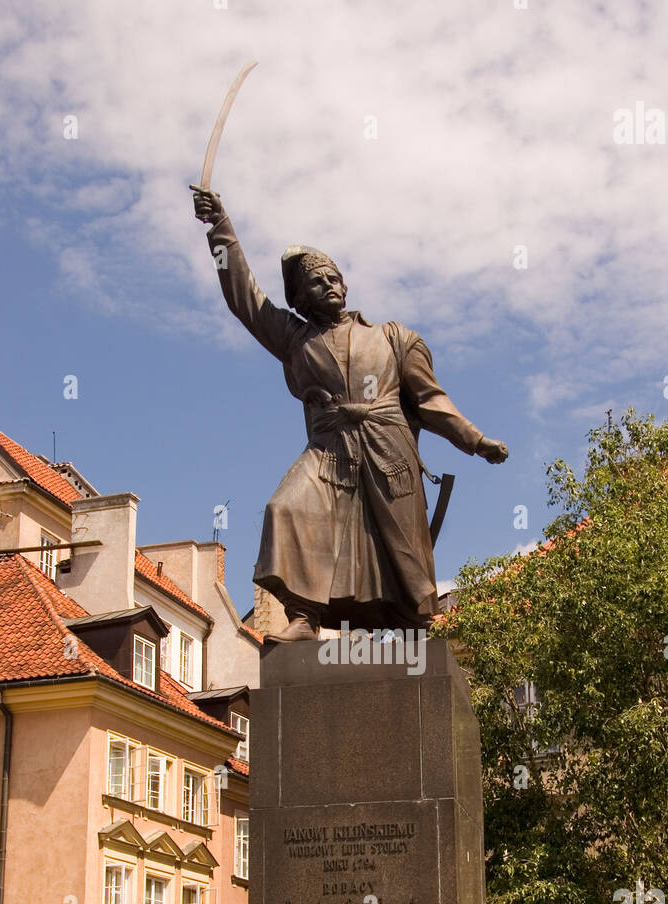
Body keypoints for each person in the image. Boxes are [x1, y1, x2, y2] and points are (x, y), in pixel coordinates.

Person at [193, 188, 509, 640]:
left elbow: (431, 400)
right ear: (300, 299)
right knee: (284, 508)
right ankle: (304, 615)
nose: (331, 287)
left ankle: (416, 625)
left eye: (335, 278)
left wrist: (475, 441)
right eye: (318, 283)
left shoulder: (394, 338)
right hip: (329, 450)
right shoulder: (295, 339)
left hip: (387, 449)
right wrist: (219, 229)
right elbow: (245, 297)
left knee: (402, 551)